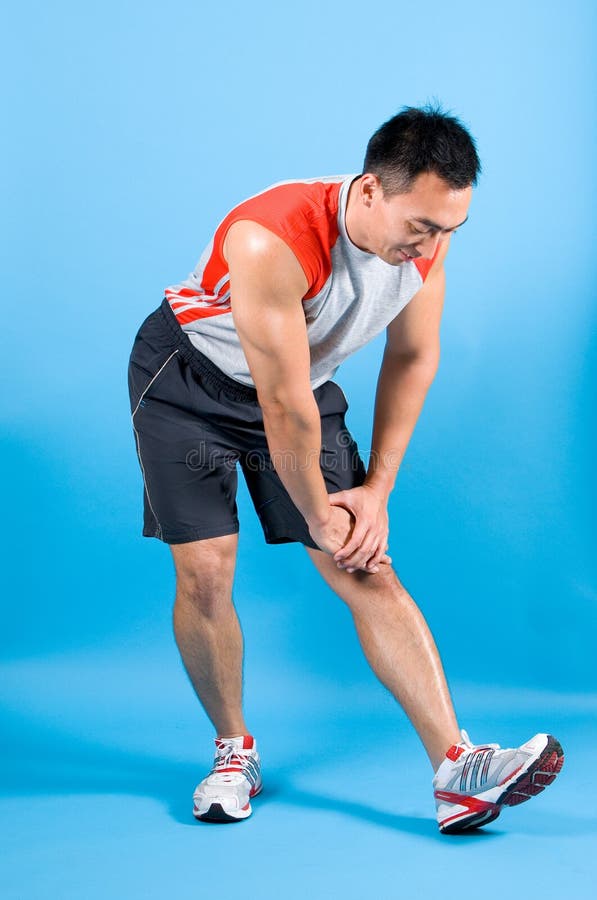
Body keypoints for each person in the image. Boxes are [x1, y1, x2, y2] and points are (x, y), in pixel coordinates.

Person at [127, 105, 564, 833]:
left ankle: (457, 771)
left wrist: (376, 490)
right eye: (420, 227)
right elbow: (281, 404)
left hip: (298, 387)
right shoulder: (270, 237)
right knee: (204, 570)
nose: (431, 245)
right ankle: (234, 752)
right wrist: (318, 515)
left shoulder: (427, 242)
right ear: (368, 191)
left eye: (449, 230)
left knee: (367, 564)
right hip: (188, 385)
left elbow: (413, 357)